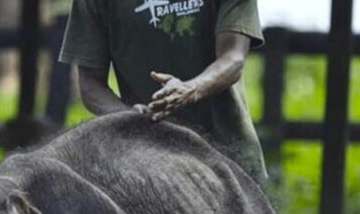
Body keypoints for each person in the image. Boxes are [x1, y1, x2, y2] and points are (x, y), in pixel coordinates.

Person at [59, 0, 268, 183]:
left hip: (229, 157)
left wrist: (190, 89)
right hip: (147, 166)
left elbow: (233, 58)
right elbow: (89, 83)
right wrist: (127, 117)